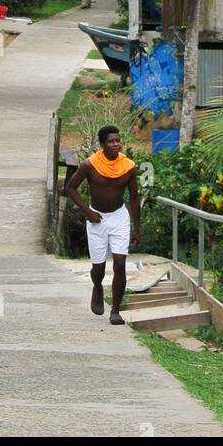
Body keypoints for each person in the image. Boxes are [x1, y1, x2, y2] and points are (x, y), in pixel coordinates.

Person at [64, 125, 140, 324]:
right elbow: (70, 188)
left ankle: (115, 311)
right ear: (102, 144)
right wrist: (88, 212)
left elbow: (134, 198)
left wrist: (137, 228)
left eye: (118, 141)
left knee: (120, 264)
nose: (116, 144)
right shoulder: (90, 165)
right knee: (98, 268)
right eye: (111, 142)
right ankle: (97, 287)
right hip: (96, 219)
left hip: (119, 218)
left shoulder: (129, 167)